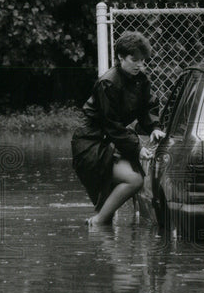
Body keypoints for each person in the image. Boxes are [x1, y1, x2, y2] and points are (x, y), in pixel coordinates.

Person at [71, 31, 165, 226]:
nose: (140, 65)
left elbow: (148, 106)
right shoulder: (108, 82)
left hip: (110, 140)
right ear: (121, 57)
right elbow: (112, 125)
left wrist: (154, 127)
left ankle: (100, 229)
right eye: (134, 60)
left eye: (143, 60)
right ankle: (97, 222)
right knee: (133, 181)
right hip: (91, 144)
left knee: (121, 190)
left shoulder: (141, 78)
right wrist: (138, 148)